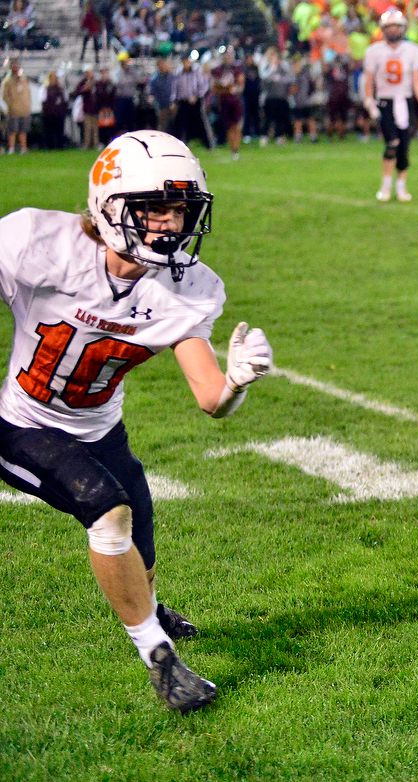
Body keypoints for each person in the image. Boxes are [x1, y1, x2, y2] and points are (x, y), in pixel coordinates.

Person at [0, 130, 272, 713]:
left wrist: (237, 383)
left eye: (179, 210)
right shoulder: (38, 244)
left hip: (101, 431)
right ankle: (160, 660)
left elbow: (210, 398)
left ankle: (148, 607)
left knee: (140, 552)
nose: (169, 225)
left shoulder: (187, 288)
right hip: (22, 422)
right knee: (109, 511)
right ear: (109, 205)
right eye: (153, 209)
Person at [363, 6, 418, 202]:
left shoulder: (412, 50)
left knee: (404, 147)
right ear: (383, 29)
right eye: (389, 27)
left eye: (396, 26)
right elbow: (368, 80)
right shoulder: (374, 51)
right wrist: (369, 101)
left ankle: (401, 187)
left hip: (405, 101)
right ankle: (386, 186)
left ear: (403, 28)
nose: (393, 30)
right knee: (391, 143)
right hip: (385, 102)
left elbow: (417, 81)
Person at [171, 57, 213, 149]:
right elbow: (175, 87)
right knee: (179, 123)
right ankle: (177, 144)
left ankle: (208, 143)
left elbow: (204, 85)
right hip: (183, 100)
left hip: (196, 100)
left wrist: (197, 96)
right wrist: (174, 101)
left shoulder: (197, 71)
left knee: (201, 121)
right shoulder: (178, 72)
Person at [211, 48, 245, 159]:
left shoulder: (236, 68)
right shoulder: (218, 70)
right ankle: (233, 149)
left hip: (235, 100)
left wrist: (233, 89)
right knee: (229, 126)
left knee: (236, 125)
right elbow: (215, 87)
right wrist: (225, 89)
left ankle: (236, 148)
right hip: (224, 100)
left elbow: (241, 84)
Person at [1, 60, 31, 154]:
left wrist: (27, 104)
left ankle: (23, 148)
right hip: (13, 109)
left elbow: (28, 93)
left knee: (23, 130)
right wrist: (10, 105)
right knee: (12, 130)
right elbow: (5, 95)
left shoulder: (23, 79)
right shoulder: (8, 81)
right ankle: (11, 148)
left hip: (24, 109)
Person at [40, 71, 69, 150]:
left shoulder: (61, 88)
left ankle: (60, 145)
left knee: (60, 130)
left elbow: (65, 99)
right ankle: (50, 146)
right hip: (49, 113)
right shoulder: (45, 88)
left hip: (59, 112)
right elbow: (42, 99)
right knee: (49, 130)